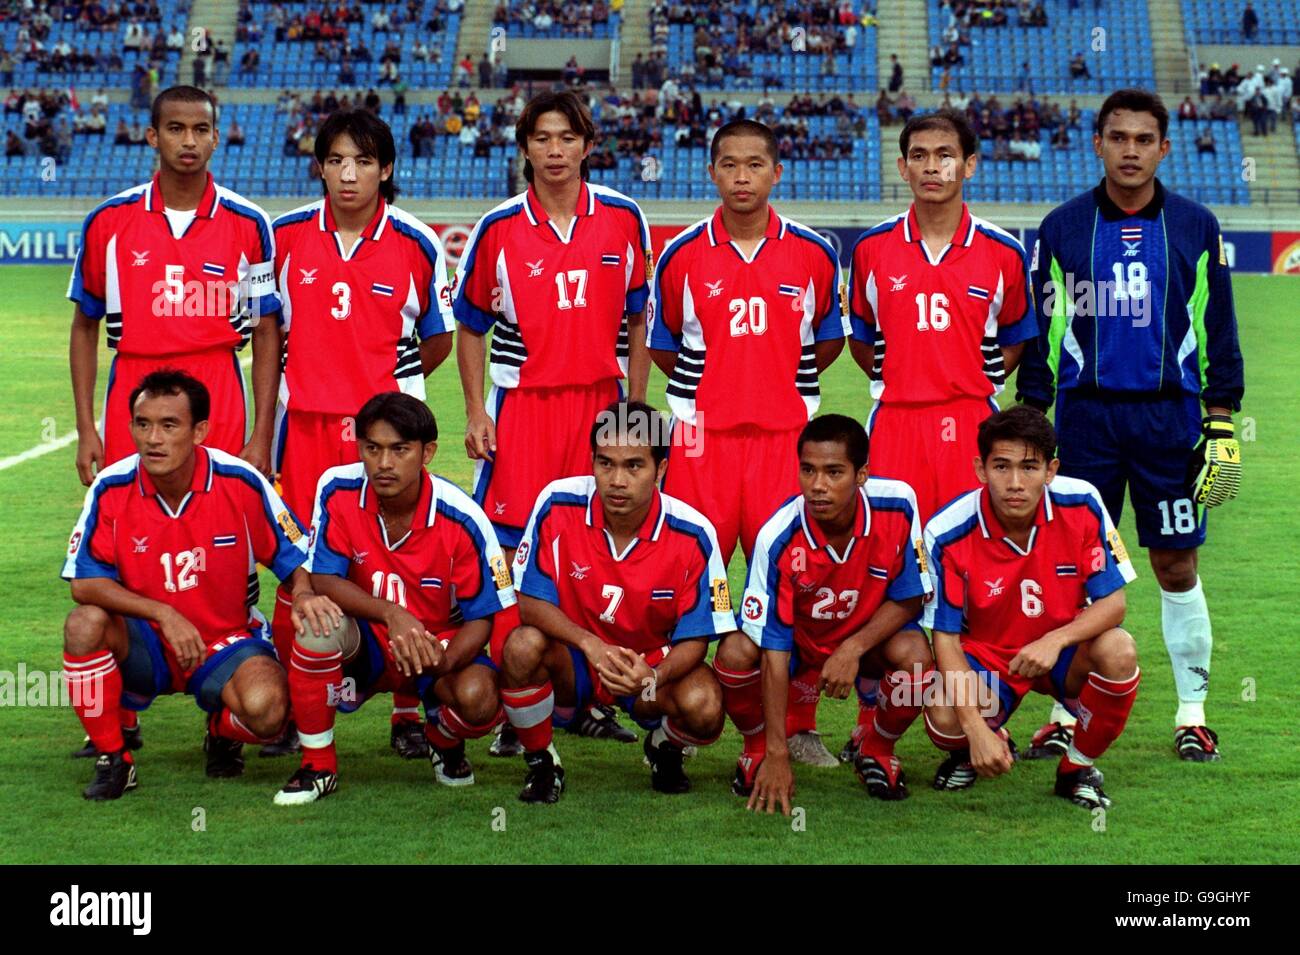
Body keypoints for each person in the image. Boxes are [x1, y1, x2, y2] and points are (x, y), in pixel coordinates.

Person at [1016, 89, 1244, 762]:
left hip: (1168, 420)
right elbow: (1042, 332)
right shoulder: (1060, 228)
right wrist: (1033, 419)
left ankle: (1192, 711)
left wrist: (1223, 421)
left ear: (1164, 148)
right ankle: (1065, 711)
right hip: (1083, 420)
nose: (1131, 150)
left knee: (1175, 562)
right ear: (1098, 143)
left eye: (1145, 139)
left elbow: (1216, 326)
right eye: (1119, 137)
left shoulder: (1198, 227)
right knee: (1071, 570)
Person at [646, 118, 847, 766]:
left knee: (799, 577)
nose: (741, 176)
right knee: (690, 578)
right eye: (729, 164)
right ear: (712, 172)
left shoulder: (813, 254)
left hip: (785, 441)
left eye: (754, 164)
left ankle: (801, 722)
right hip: (702, 440)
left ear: (776, 172)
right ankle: (671, 703)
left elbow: (828, 341)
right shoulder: (680, 254)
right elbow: (662, 344)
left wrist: (780, 395)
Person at [269, 108, 455, 759]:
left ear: (386, 169)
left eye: (364, 161)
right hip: (308, 426)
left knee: (401, 564)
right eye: (337, 160)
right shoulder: (283, 236)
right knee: (303, 566)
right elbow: (267, 332)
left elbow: (437, 340)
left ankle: (408, 708)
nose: (349, 175)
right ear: (318, 165)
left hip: (384, 439)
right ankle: (300, 707)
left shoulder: (415, 241)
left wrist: (390, 404)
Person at [61, 370, 339, 800]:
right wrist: (163, 613)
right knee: (83, 624)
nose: (153, 438)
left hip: (226, 640)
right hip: (146, 641)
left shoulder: (240, 481)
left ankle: (221, 727)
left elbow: (295, 556)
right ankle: (115, 757)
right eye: (142, 424)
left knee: (269, 712)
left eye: (169, 425)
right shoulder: (111, 487)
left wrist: (302, 592)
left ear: (200, 431)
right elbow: (84, 581)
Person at [274, 394, 516, 804]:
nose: (383, 463)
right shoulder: (337, 488)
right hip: (368, 640)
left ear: (427, 453)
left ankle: (441, 736)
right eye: (373, 448)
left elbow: (483, 616)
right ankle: (318, 765)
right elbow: (324, 576)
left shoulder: (463, 517)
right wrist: (392, 614)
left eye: (399, 449)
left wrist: (444, 662)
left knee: (480, 697)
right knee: (318, 626)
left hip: (436, 644)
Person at [500, 401, 735, 802]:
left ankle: (664, 747)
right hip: (576, 662)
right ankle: (543, 763)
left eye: (633, 466)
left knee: (706, 706)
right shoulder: (557, 503)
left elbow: (698, 636)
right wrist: (590, 644)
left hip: (645, 671)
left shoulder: (695, 532)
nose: (617, 480)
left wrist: (653, 678)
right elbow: (528, 602)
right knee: (521, 646)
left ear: (661, 469)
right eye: (605, 464)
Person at [923, 406, 1140, 809]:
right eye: (1001, 467)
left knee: (1119, 650)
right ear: (980, 469)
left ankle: (1077, 767)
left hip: (1064, 651)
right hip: (986, 656)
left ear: (1051, 469)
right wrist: (976, 731)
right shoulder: (945, 532)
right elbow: (946, 639)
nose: (1015, 483)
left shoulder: (1083, 502)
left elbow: (1114, 602)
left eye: (1030, 467)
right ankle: (985, 742)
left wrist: (1055, 640)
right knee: (944, 720)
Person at [67, 85, 281, 486]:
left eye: (201, 129)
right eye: (175, 128)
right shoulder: (107, 221)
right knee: (132, 520)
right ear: (153, 136)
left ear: (216, 138)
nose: (188, 140)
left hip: (217, 385)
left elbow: (266, 330)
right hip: (134, 385)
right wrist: (85, 429)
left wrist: (263, 434)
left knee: (218, 514)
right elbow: (83, 326)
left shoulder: (249, 222)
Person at [718, 415, 933, 807]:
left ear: (862, 474)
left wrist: (852, 648)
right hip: (799, 644)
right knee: (734, 653)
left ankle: (877, 748)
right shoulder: (777, 536)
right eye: (808, 470)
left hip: (866, 641)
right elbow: (773, 650)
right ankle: (756, 748)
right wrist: (778, 752)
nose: (817, 486)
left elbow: (911, 594)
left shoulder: (899, 504)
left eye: (834, 472)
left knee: (917, 659)